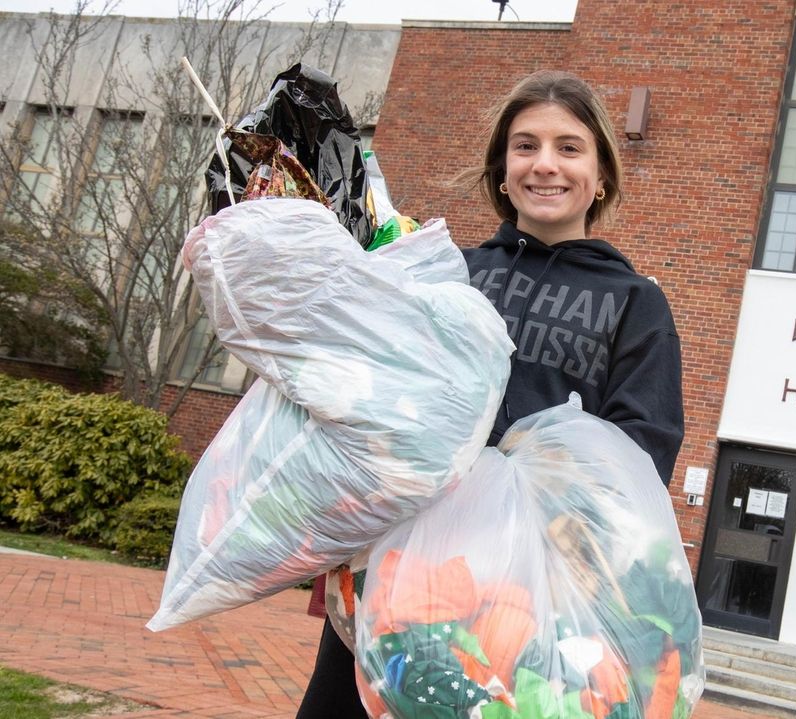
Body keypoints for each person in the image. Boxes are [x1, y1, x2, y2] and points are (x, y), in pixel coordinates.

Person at [295, 69, 685, 717]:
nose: (545, 165)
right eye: (525, 145)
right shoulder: (451, 273)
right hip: (399, 571)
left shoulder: (635, 303)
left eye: (568, 147)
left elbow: (641, 459)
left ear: (602, 174)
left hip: (525, 601)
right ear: (502, 171)